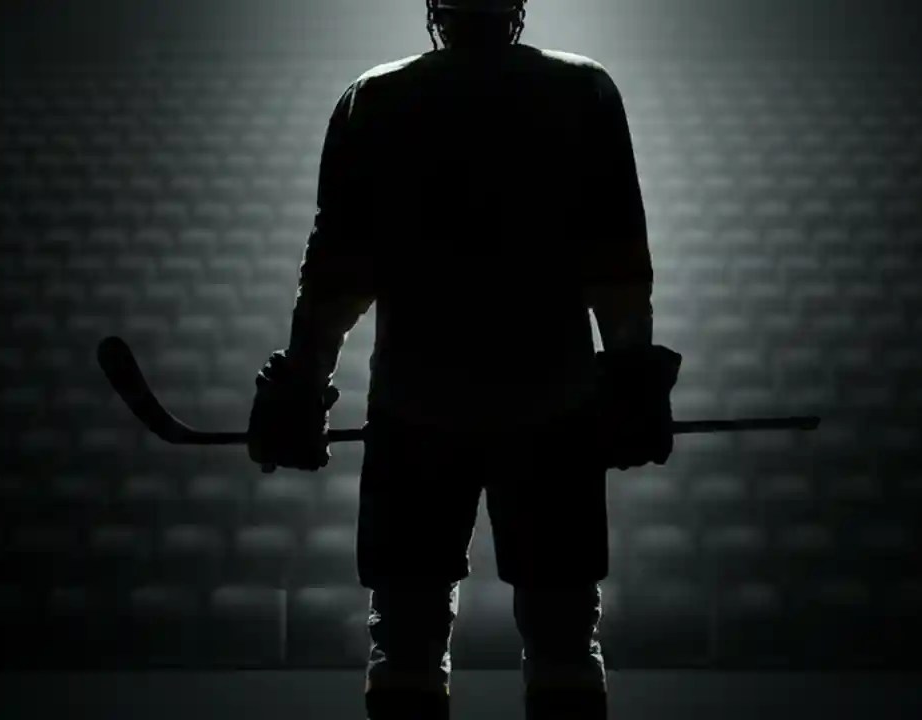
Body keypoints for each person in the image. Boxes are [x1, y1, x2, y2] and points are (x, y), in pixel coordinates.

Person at [247, 1, 682, 718]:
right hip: (553, 403)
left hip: (418, 406)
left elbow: (337, 273)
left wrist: (303, 382)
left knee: (407, 641)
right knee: (565, 639)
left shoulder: (376, 99)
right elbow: (619, 266)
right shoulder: (584, 91)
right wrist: (632, 376)